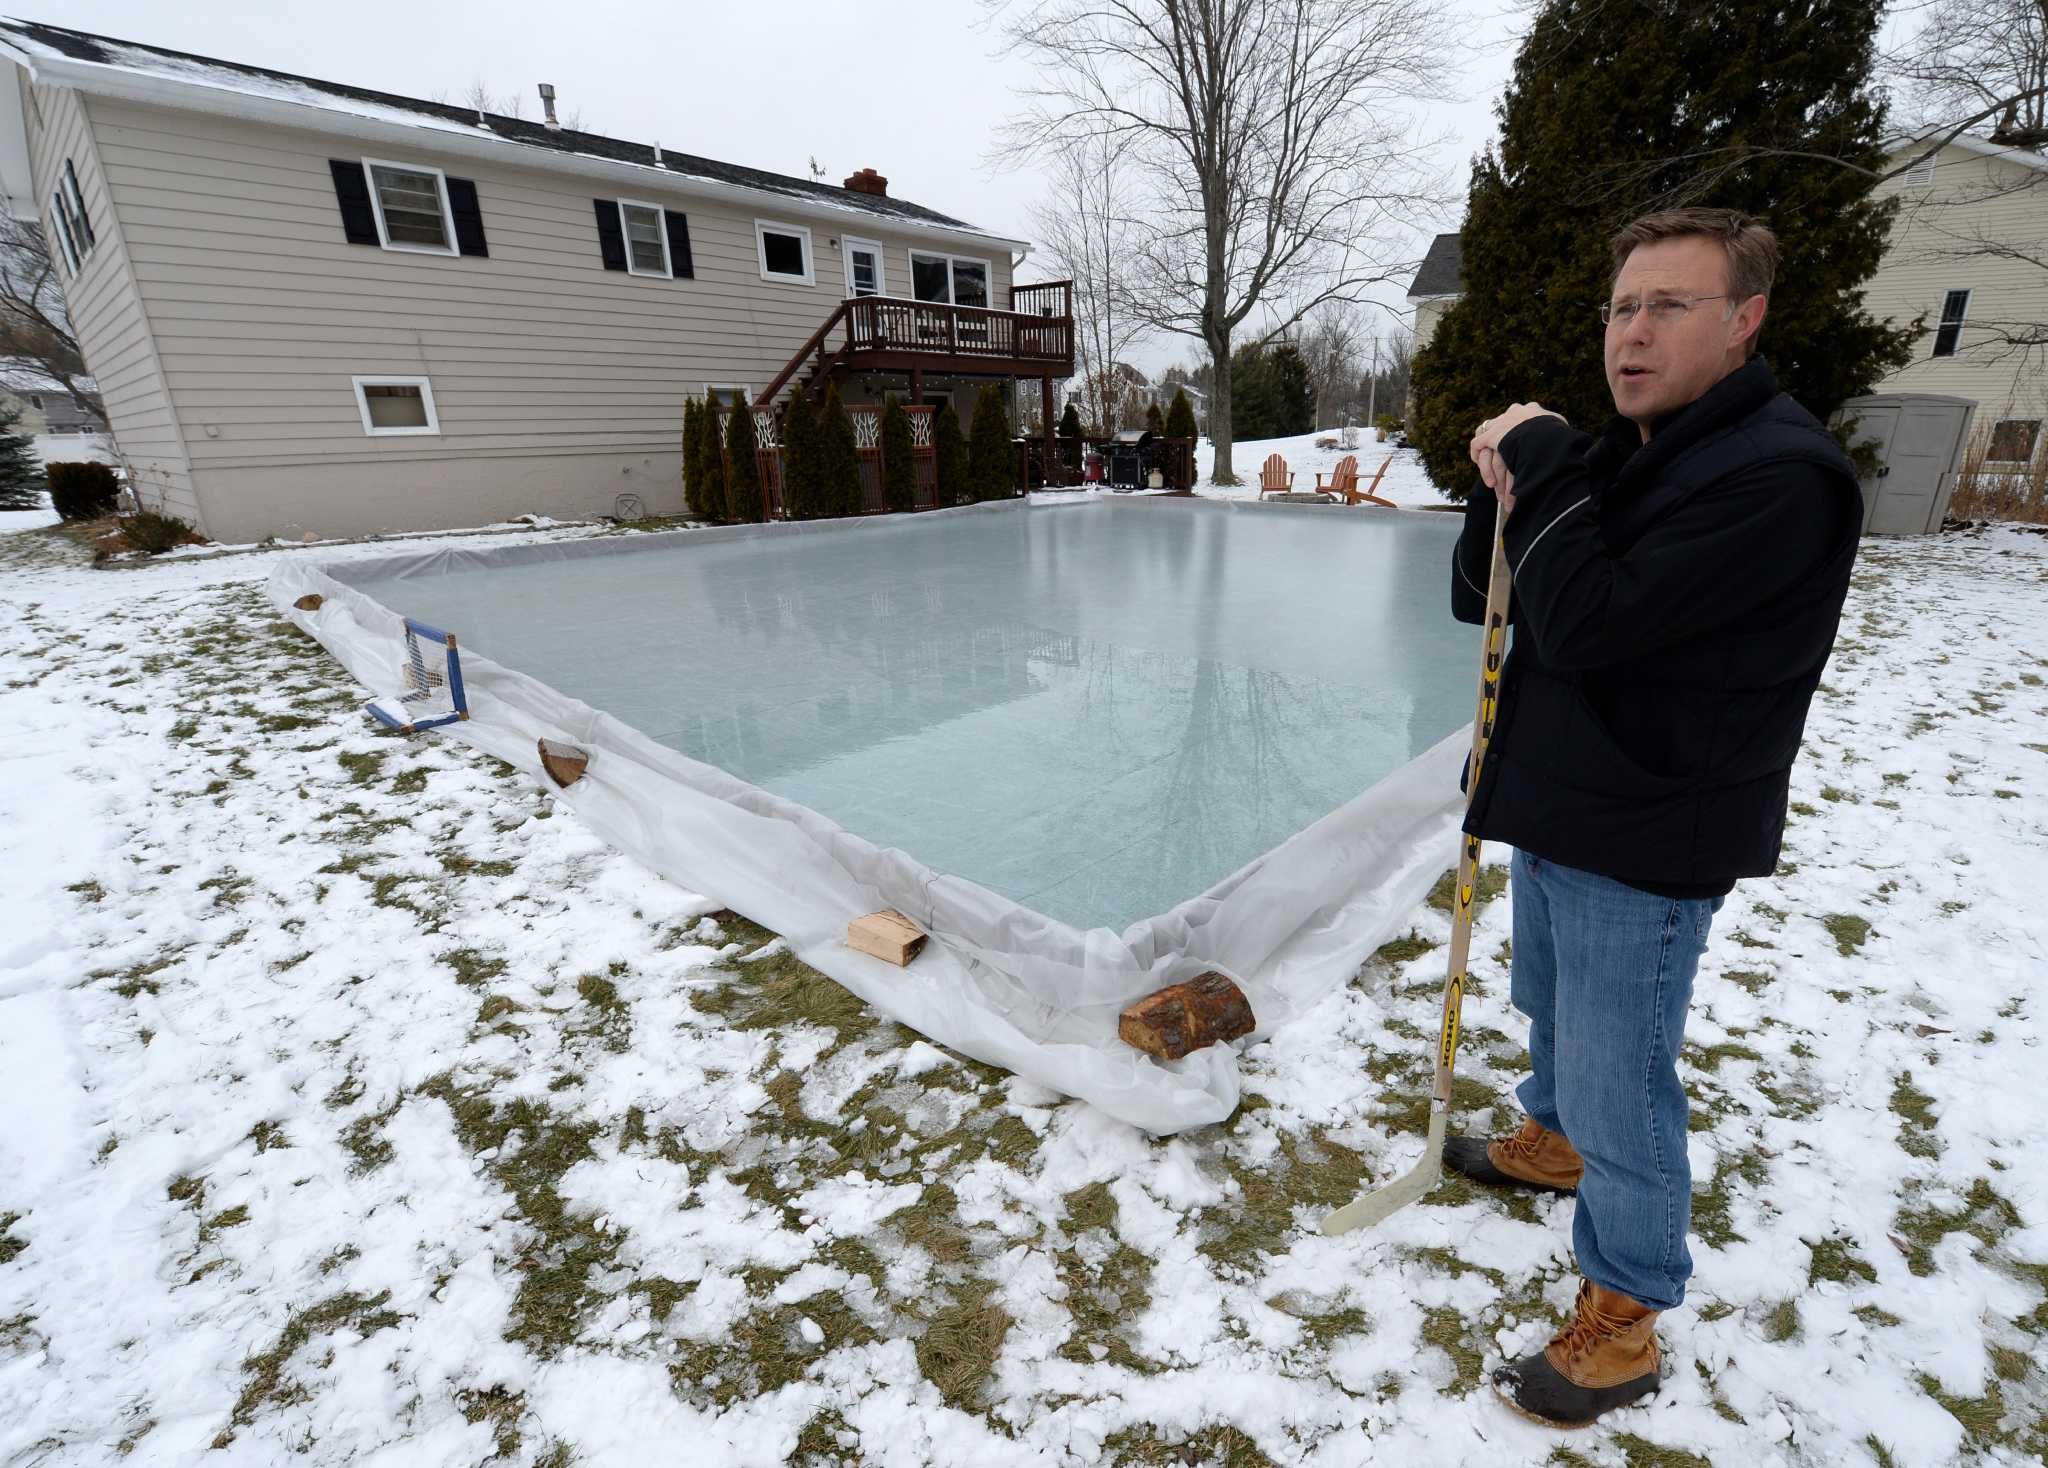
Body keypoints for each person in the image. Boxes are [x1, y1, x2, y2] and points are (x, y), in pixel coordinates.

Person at [1444, 207, 1862, 1428]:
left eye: (1666, 306)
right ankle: (1549, 1139)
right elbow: (1491, 599)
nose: (1631, 331)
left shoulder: (1778, 476)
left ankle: (1621, 1315)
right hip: (1569, 792)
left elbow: (1590, 620)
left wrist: (1556, 462)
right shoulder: (1646, 447)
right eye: (1621, 307)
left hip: (1651, 822)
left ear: (1743, 322)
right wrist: (1502, 491)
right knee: (1555, 1009)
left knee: (1623, 1076)